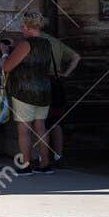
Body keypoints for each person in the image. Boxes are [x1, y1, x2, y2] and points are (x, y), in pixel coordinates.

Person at [0, 12, 55, 174]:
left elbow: (7, 67)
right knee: (41, 127)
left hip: (24, 90)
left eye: (23, 25)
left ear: (28, 26)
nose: (21, 28)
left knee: (24, 129)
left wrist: (4, 52)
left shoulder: (25, 44)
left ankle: (25, 165)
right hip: (44, 90)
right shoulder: (46, 43)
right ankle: (45, 164)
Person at [41, 30, 82, 167]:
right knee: (55, 122)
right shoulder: (55, 42)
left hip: (40, 83)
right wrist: (66, 74)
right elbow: (76, 56)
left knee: (41, 122)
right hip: (56, 82)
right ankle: (58, 156)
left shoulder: (31, 42)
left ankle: (42, 159)